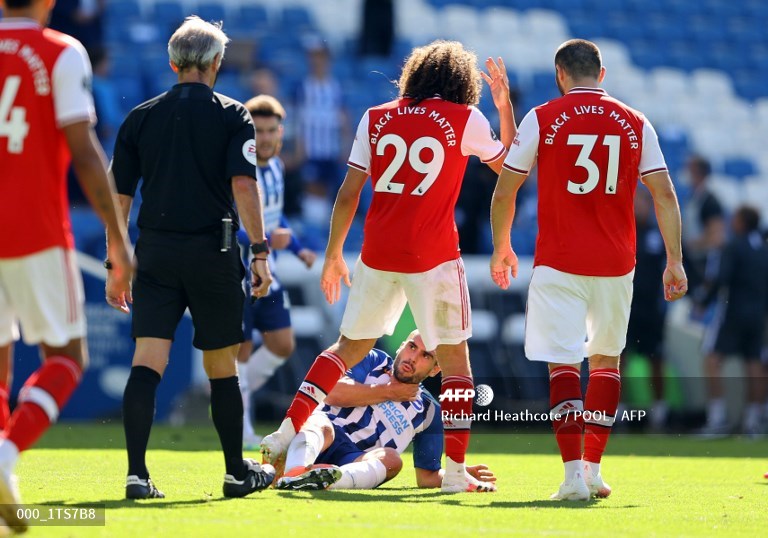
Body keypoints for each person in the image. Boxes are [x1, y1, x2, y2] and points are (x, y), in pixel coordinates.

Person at [261, 40, 516, 493]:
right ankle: (456, 473)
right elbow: (511, 168)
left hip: (378, 250)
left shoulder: (376, 116)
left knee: (346, 349)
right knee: (456, 364)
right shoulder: (466, 118)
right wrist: (504, 108)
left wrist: (334, 254)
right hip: (433, 254)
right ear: (461, 81)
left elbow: (348, 193)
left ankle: (285, 431)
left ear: (413, 76)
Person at [489, 39, 687, 501]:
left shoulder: (543, 117)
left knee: (563, 363)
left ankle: (572, 476)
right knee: (606, 362)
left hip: (560, 260)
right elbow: (664, 194)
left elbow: (505, 190)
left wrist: (501, 247)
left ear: (560, 74)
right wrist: (675, 260)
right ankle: (594, 470)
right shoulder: (635, 121)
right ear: (602, 74)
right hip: (616, 263)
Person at [108, 16, 275, 500]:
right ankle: (235, 473)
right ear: (217, 62)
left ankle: (136, 475)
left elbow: (118, 198)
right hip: (212, 250)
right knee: (222, 367)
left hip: (155, 251)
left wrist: (116, 262)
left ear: (172, 63)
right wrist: (259, 251)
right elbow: (243, 185)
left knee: (147, 362)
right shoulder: (233, 115)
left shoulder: (140, 117)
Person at [0, 0, 133, 531]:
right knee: (67, 358)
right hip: (35, 230)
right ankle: (5, 458)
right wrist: (118, 239)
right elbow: (83, 148)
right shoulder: (61, 51)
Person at [276, 331, 496, 491]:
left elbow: (427, 477)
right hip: (326, 435)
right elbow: (332, 392)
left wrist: (457, 472)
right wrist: (389, 391)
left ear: (435, 370)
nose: (413, 358)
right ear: (401, 346)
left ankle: (326, 480)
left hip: (354, 460)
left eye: (425, 356)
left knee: (392, 460)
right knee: (318, 422)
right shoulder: (374, 359)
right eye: (411, 347)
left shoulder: (429, 413)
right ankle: (294, 473)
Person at [237, 94, 316, 448]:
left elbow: (274, 214)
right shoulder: (239, 171)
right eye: (258, 131)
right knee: (240, 349)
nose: (265, 138)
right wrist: (268, 240)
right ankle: (241, 427)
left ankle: (226, 393)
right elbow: (231, 227)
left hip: (269, 272)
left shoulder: (278, 168)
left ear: (281, 133)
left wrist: (297, 249)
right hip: (237, 272)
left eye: (271, 130)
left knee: (282, 344)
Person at [696, 206, 768, 437]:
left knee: (712, 360)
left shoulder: (734, 246)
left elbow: (721, 278)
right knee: (754, 364)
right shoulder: (763, 249)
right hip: (758, 316)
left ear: (741, 222)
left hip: (733, 314)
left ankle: (717, 418)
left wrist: (703, 301)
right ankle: (753, 421)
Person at [623, 187, 669, 431]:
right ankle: (618, 412)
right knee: (619, 359)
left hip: (651, 310)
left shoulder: (659, 234)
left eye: (641, 202)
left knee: (656, 360)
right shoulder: (620, 231)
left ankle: (659, 413)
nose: (637, 207)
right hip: (623, 307)